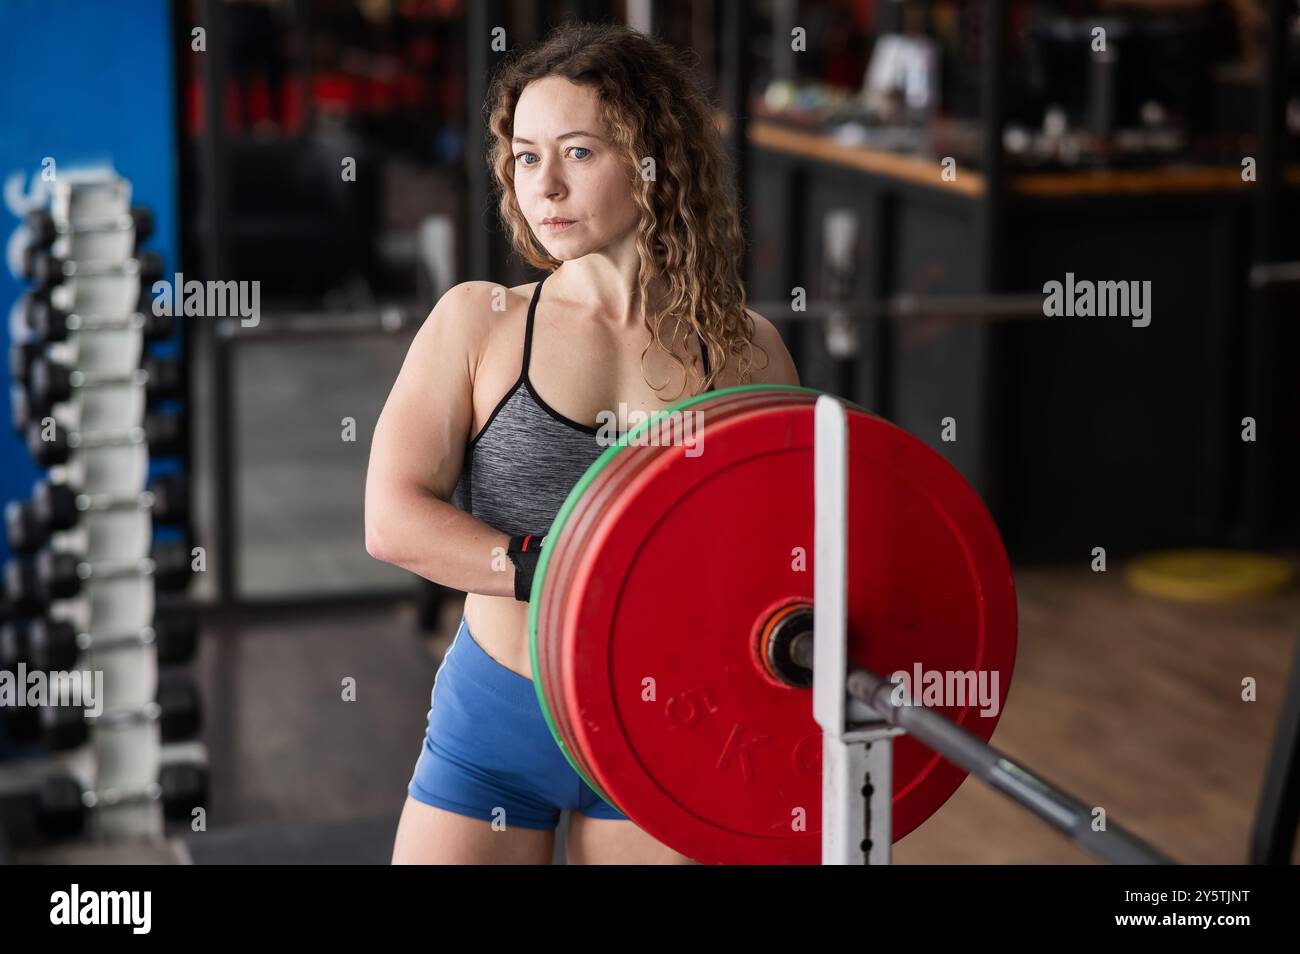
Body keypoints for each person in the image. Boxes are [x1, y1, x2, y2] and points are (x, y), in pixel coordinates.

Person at [367, 20, 799, 865]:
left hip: (670, 723)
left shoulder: (746, 349)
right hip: (500, 719)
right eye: (526, 157)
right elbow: (391, 518)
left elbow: (781, 550)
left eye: (578, 153)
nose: (546, 187)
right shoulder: (481, 322)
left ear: (653, 163)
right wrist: (556, 570)